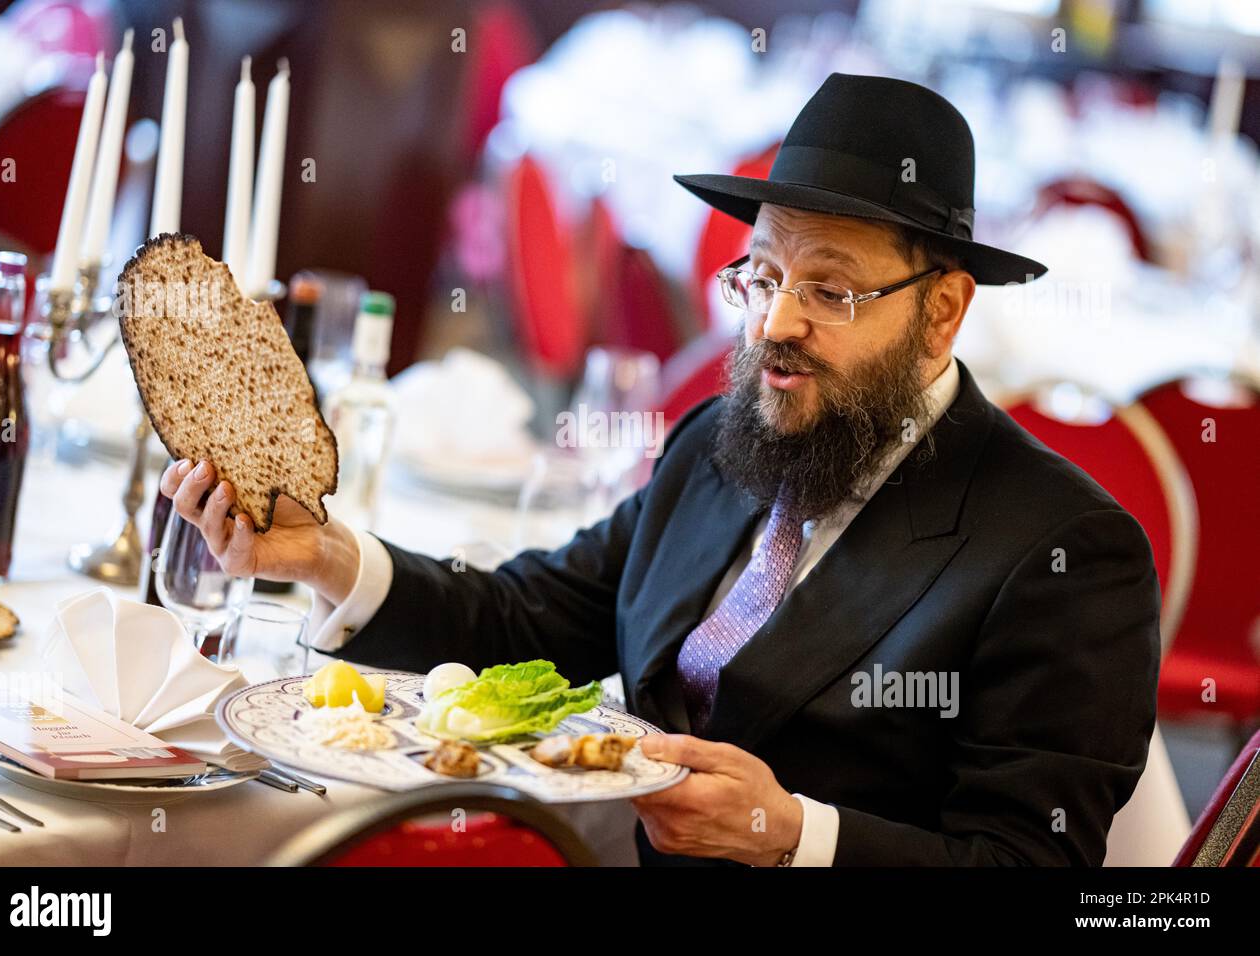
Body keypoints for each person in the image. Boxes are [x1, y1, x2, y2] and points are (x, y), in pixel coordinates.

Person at [161, 74, 1159, 866]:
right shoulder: (725, 442)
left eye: (830, 290)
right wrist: (331, 556)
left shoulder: (1060, 551)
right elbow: (530, 621)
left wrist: (792, 834)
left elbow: (1026, 859)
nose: (775, 323)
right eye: (761, 275)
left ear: (941, 311)